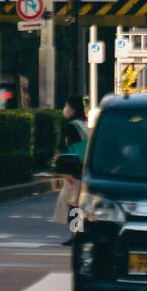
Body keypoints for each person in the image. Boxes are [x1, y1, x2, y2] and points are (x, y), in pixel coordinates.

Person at [54, 95, 89, 242]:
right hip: (86, 168)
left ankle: (75, 235)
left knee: (72, 203)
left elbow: (63, 149)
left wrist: (66, 172)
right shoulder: (86, 125)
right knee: (79, 203)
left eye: (67, 106)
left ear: (73, 109)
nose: (65, 109)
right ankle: (77, 234)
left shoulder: (69, 127)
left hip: (73, 170)